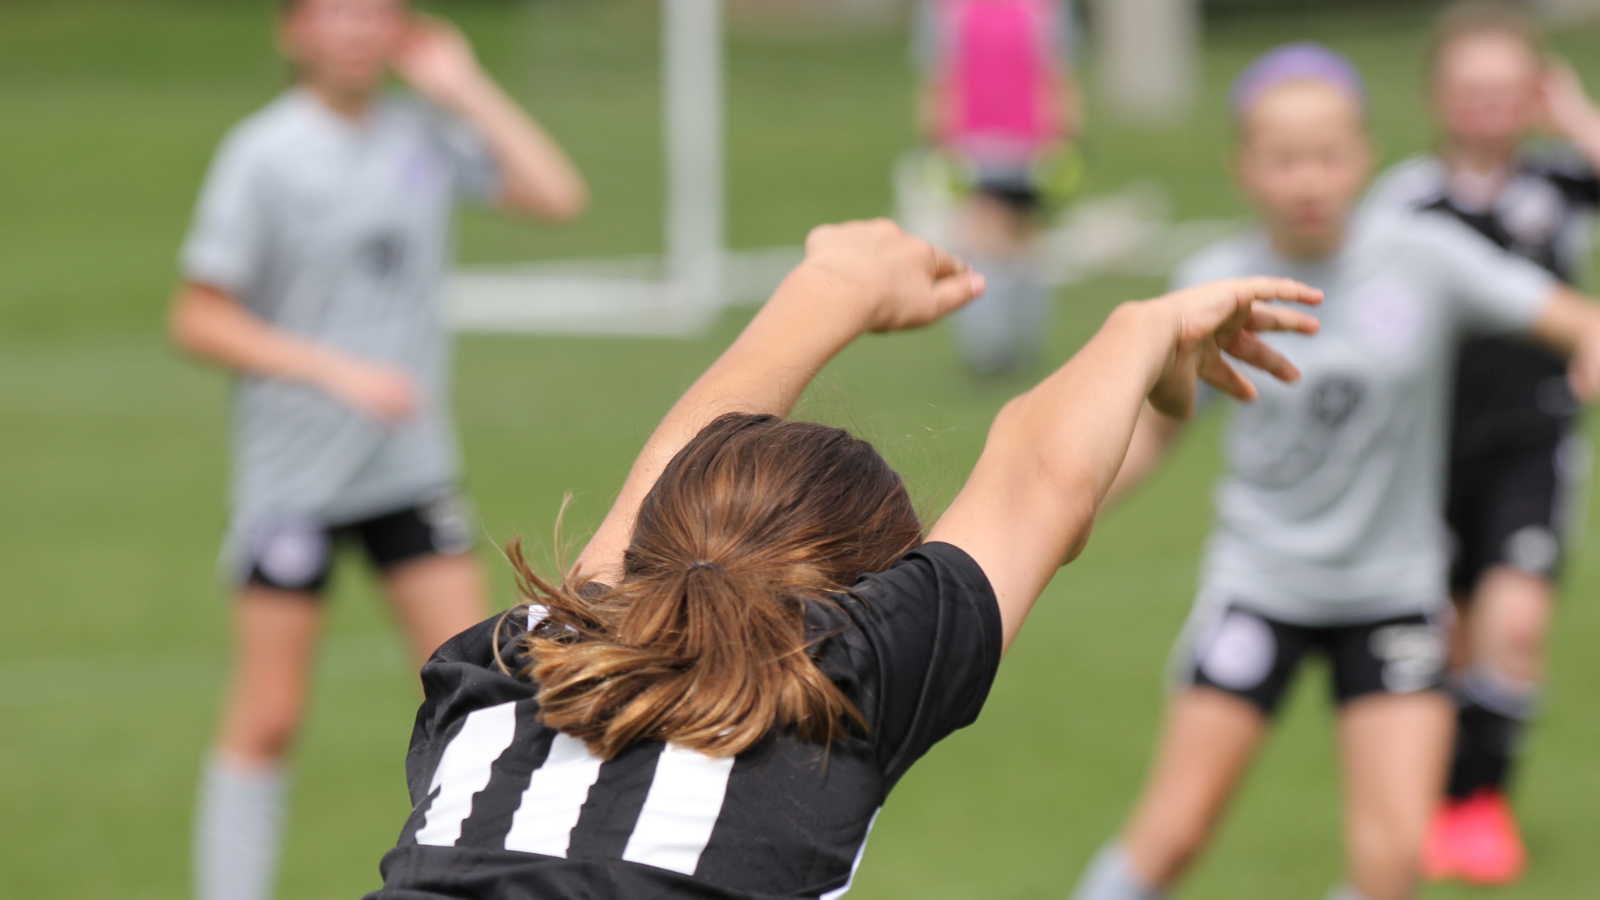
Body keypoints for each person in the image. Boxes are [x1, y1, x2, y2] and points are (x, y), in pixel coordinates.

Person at [358, 217, 1325, 899]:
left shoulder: (516, 660)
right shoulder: (838, 682)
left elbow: (662, 508)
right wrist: (1144, 328)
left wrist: (831, 286)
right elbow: (1037, 472)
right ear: (860, 595)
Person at [1067, 44, 1600, 900]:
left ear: (1363, 156)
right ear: (1244, 168)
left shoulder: (1429, 257)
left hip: (1393, 596)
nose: (1306, 179)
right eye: (1282, 159)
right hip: (1262, 585)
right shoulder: (1209, 287)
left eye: (1325, 155)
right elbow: (1156, 436)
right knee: (1170, 839)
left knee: (1391, 870)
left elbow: (1570, 317)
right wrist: (1062, 511)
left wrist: (1588, 344)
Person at [167, 2, 586, 899]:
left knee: (484, 698)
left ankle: (482, 883)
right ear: (294, 32)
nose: (358, 30)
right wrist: (332, 370)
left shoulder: (425, 134)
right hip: (297, 480)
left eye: (377, 13)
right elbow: (198, 315)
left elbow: (558, 195)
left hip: (409, 473)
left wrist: (466, 87)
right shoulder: (265, 154)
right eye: (337, 13)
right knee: (269, 717)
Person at [1362, 2, 1600, 884]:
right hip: (1425, 454)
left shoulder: (1558, 187)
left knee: (1519, 622)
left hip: (1533, 446)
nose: (1491, 107)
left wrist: (1576, 120)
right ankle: (1443, 796)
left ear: (1533, 94)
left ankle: (1480, 803)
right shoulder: (1404, 201)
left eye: (1510, 91)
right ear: (1437, 97)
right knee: (1449, 638)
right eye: (1472, 91)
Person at [911, 0, 1079, 375]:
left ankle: (1007, 346)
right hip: (979, 147)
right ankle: (996, 347)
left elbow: (1055, 73)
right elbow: (941, 76)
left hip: (1026, 146)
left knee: (1016, 246)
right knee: (995, 244)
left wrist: (1065, 138)